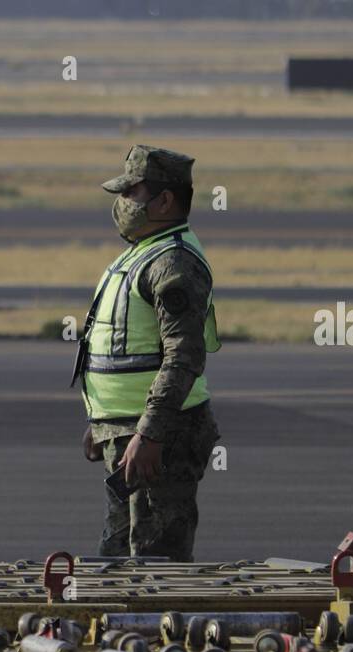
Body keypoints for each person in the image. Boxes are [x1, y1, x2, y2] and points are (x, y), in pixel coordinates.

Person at [70, 144, 222, 562]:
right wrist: (103, 422)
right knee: (117, 560)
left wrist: (150, 432)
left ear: (165, 200)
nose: (122, 204)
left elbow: (184, 357)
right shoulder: (144, 254)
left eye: (131, 194)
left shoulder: (174, 263)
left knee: (155, 566)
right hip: (128, 433)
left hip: (160, 439)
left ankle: (156, 630)